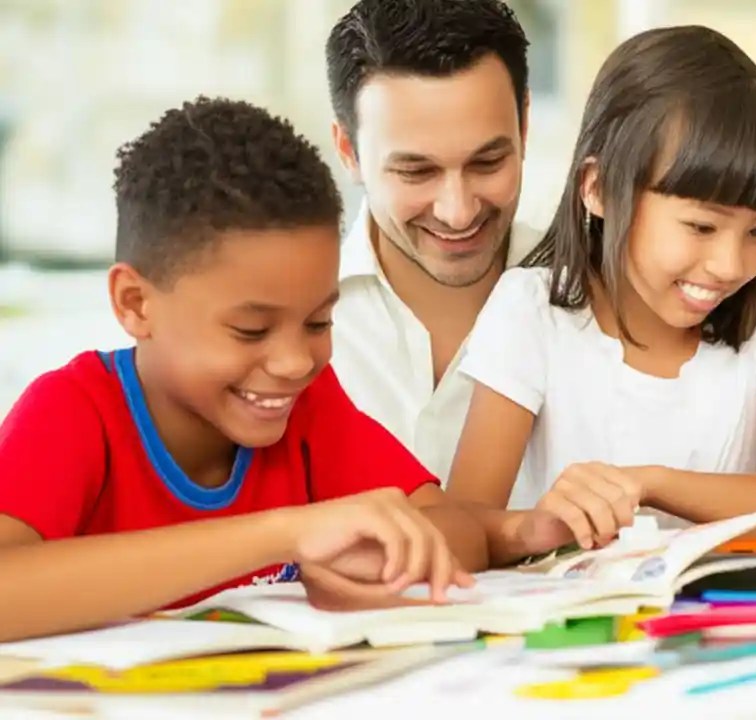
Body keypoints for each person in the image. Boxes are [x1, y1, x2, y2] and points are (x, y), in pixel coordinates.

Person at [0, 97, 560, 643]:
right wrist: (283, 535)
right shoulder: (73, 413)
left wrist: (382, 556)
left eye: (318, 322)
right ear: (135, 304)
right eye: (251, 330)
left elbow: (455, 532)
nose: (295, 362)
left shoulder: (309, 410)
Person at [446, 26, 756, 548]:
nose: (730, 265)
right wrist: (535, 528)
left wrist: (650, 484)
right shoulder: (531, 311)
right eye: (701, 227)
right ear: (598, 189)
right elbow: (462, 528)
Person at [325, 0, 541, 485]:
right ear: (348, 151)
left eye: (487, 163)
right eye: (416, 172)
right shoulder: (284, 327)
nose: (457, 212)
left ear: (524, 124)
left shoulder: (599, 299)